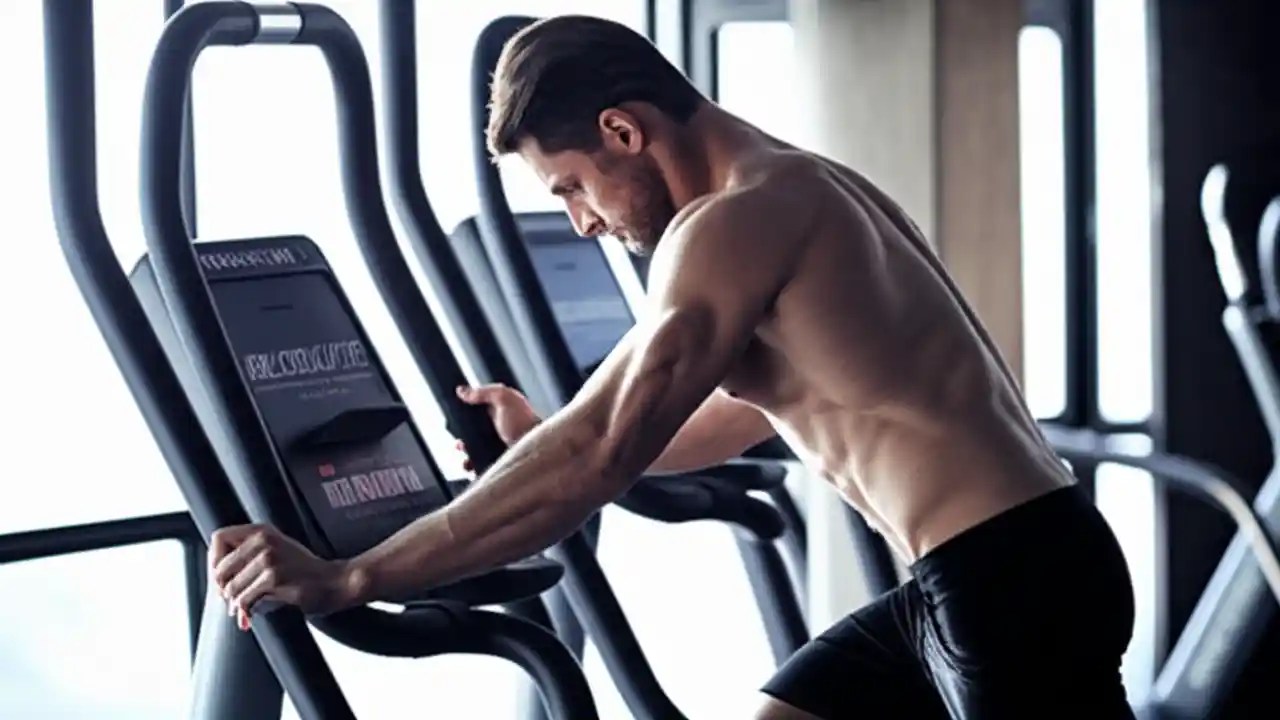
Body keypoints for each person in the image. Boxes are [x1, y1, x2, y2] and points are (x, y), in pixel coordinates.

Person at [208, 14, 1136, 719]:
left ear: (621, 131)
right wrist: (540, 440)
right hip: (988, 573)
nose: (580, 219)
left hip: (1008, 586)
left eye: (570, 185)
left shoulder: (734, 220)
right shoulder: (806, 185)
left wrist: (355, 577)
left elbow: (600, 448)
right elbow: (743, 415)